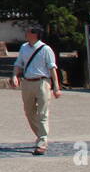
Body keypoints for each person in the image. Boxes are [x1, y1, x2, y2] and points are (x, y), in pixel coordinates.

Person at [11, 25, 62, 155]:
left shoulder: (46, 49)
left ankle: (42, 141)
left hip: (42, 82)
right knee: (29, 112)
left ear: (35, 34)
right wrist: (14, 76)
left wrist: (56, 87)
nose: (26, 33)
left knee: (42, 113)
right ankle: (40, 136)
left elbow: (52, 68)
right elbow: (18, 63)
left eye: (28, 32)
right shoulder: (24, 48)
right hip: (27, 83)